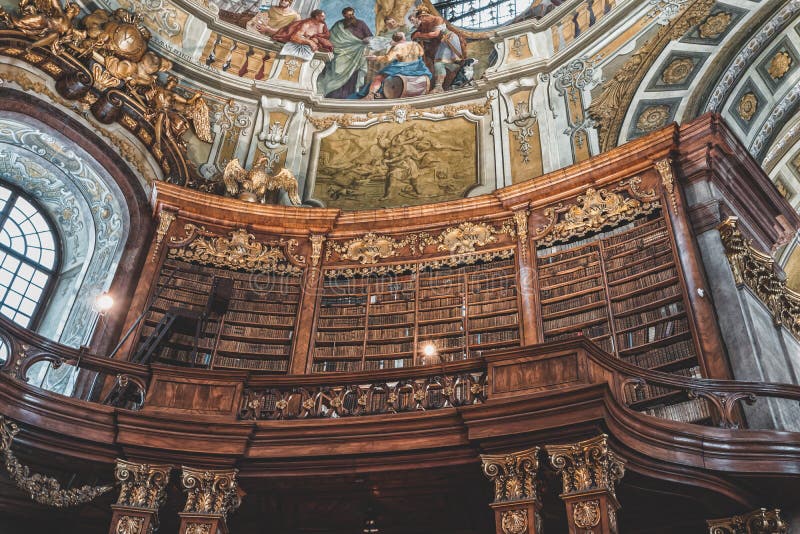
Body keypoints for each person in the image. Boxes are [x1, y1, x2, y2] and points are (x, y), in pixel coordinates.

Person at [355, 31, 430, 100]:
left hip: (402, 67)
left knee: (379, 77)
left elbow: (387, 58)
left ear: (395, 40)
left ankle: (370, 95)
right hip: (416, 66)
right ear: (404, 38)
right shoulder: (415, 44)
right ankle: (380, 93)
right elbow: (421, 53)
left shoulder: (397, 47)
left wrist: (376, 58)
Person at [317, 7, 372, 99]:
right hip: (339, 52)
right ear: (344, 15)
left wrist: (366, 40)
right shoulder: (338, 25)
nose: (351, 16)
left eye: (352, 14)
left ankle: (348, 96)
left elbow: (370, 36)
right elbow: (331, 37)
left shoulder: (361, 23)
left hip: (356, 53)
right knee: (336, 70)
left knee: (353, 74)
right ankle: (332, 95)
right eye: (348, 15)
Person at [410, 6, 466, 93]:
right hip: (442, 43)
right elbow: (418, 34)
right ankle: (456, 69)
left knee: (438, 63)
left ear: (425, 16)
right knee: (441, 63)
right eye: (419, 18)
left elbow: (435, 34)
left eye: (421, 17)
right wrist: (416, 36)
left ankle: (438, 87)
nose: (421, 20)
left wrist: (419, 35)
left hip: (449, 39)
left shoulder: (437, 19)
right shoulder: (424, 25)